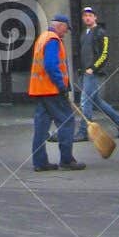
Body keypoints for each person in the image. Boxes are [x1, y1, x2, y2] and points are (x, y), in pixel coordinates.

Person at [27, 14, 85, 174]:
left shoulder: (42, 38)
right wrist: (62, 86)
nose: (65, 33)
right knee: (67, 121)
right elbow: (51, 65)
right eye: (65, 29)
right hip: (52, 90)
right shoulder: (53, 40)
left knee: (41, 126)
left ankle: (40, 162)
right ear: (60, 25)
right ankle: (67, 160)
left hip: (40, 90)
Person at [78, 5, 119, 139]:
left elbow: (104, 54)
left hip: (92, 72)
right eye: (85, 16)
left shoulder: (101, 32)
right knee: (96, 101)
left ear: (95, 17)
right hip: (85, 72)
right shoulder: (84, 34)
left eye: (90, 15)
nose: (87, 18)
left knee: (85, 101)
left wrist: (93, 68)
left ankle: (83, 131)